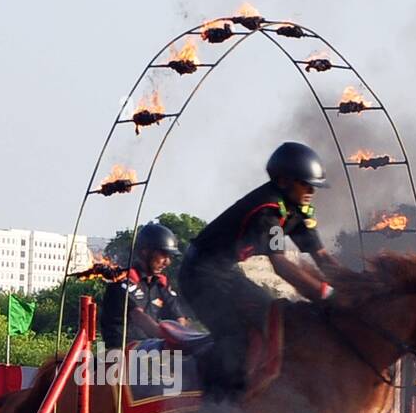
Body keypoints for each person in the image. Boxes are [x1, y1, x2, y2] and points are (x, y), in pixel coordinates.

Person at [180, 141, 344, 399]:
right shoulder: (266, 211)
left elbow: (321, 257)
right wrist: (326, 295)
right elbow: (280, 265)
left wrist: (352, 286)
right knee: (236, 338)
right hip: (198, 274)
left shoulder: (295, 209)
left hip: (225, 272)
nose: (312, 190)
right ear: (284, 181)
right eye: (306, 183)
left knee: (274, 318)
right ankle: (215, 406)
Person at [99, 221, 190, 349]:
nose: (167, 262)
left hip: (150, 351)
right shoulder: (122, 281)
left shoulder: (160, 284)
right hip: (121, 352)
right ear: (145, 252)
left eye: (170, 257)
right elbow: (139, 318)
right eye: (163, 255)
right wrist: (172, 338)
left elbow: (178, 316)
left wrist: (186, 336)